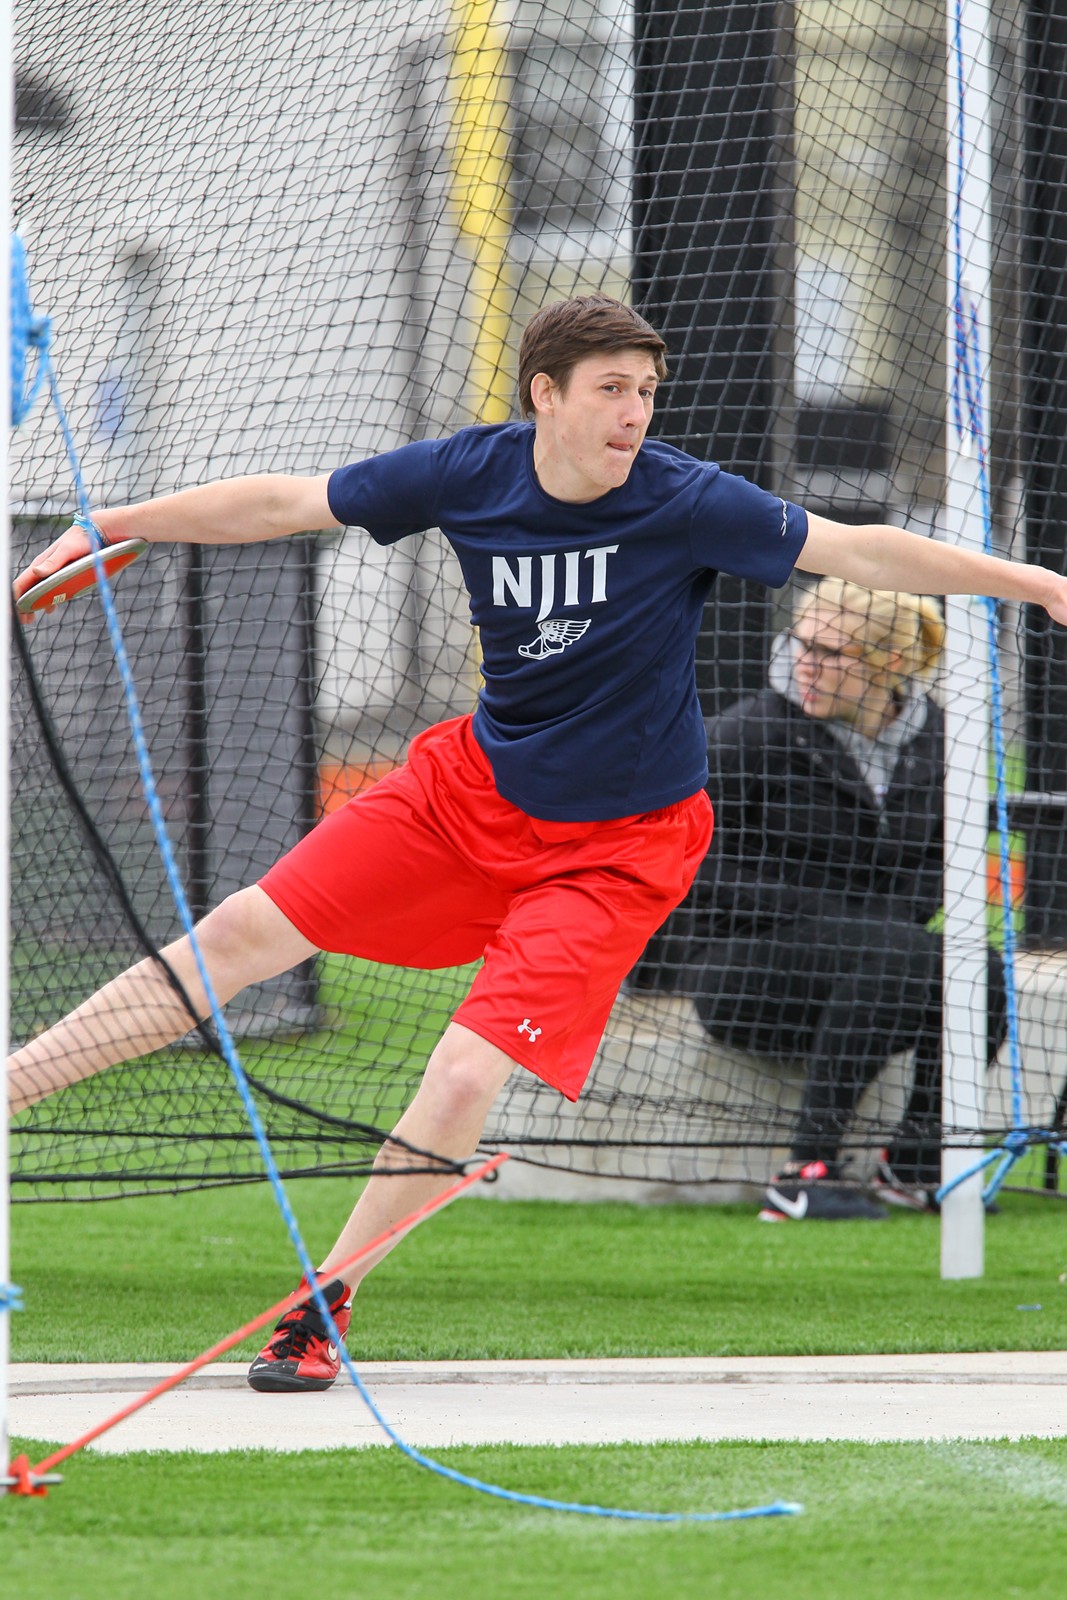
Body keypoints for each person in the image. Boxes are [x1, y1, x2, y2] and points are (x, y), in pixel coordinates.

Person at [9, 295, 1067, 1388]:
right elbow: (284, 501)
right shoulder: (472, 471)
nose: (634, 414)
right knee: (235, 931)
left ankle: (322, 1306)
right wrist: (115, 520)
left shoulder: (686, 499)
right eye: (611, 389)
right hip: (468, 794)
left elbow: (856, 547)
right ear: (544, 395)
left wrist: (1030, 582)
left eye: (646, 393)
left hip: (616, 851)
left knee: (467, 1075)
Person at [630, 577, 1008, 1222]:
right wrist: (839, 921)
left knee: (985, 974)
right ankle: (804, 1175)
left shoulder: (946, 744)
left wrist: (873, 928)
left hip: (877, 969)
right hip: (738, 965)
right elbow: (691, 871)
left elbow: (943, 867)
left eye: (830, 652)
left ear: (890, 663)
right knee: (892, 954)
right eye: (801, 643)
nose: (805, 662)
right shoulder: (744, 735)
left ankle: (915, 1165)